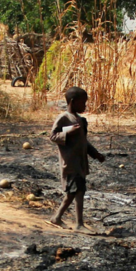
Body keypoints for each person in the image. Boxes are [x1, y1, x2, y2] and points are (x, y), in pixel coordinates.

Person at [49, 86, 105, 231]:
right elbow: (53, 136)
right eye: (83, 103)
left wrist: (95, 154)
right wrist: (69, 132)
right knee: (74, 192)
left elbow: (83, 142)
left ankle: (59, 218)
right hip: (70, 163)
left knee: (77, 192)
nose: (85, 106)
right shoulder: (63, 118)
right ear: (73, 102)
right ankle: (76, 223)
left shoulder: (81, 120)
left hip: (80, 163)